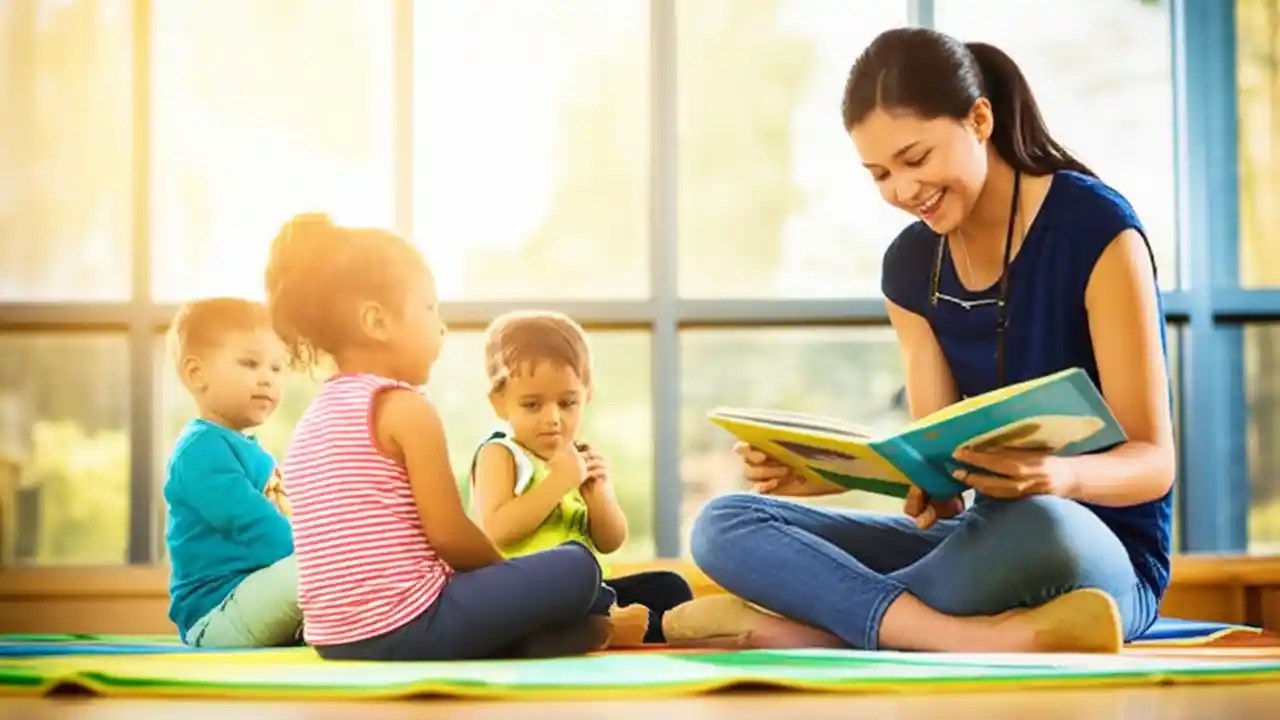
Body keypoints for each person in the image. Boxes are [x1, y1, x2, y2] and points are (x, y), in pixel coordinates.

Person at [662, 27, 1175, 654]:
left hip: (1089, 548)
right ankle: (956, 635)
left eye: (916, 159)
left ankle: (815, 632)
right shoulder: (908, 267)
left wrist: (1057, 476)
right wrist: (826, 473)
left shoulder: (1098, 231)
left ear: (979, 119)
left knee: (1036, 523)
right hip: (972, 542)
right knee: (724, 524)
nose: (903, 191)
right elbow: (943, 490)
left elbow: (1154, 462)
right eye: (879, 173)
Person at [266, 214, 616, 661]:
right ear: (377, 321)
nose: (442, 326)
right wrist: (509, 579)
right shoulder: (405, 407)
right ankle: (533, 634)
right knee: (577, 567)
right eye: (430, 309)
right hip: (412, 621)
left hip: (334, 638)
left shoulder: (312, 422)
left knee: (547, 584)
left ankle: (534, 641)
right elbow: (449, 534)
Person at [469, 310, 693, 645]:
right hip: (523, 595)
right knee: (582, 598)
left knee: (669, 586)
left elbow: (610, 540)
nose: (553, 419)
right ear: (500, 403)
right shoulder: (500, 454)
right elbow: (498, 530)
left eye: (567, 403)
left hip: (587, 592)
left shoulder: (581, 457)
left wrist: (597, 493)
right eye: (532, 405)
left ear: (587, 395)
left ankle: (620, 628)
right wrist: (557, 482)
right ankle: (619, 629)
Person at [163, 298, 301, 648]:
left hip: (253, 597)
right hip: (216, 614)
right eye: (250, 363)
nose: (267, 379)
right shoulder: (200, 450)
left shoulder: (251, 450)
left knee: (340, 567)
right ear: (197, 374)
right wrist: (323, 556)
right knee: (326, 572)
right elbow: (254, 524)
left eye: (277, 368)